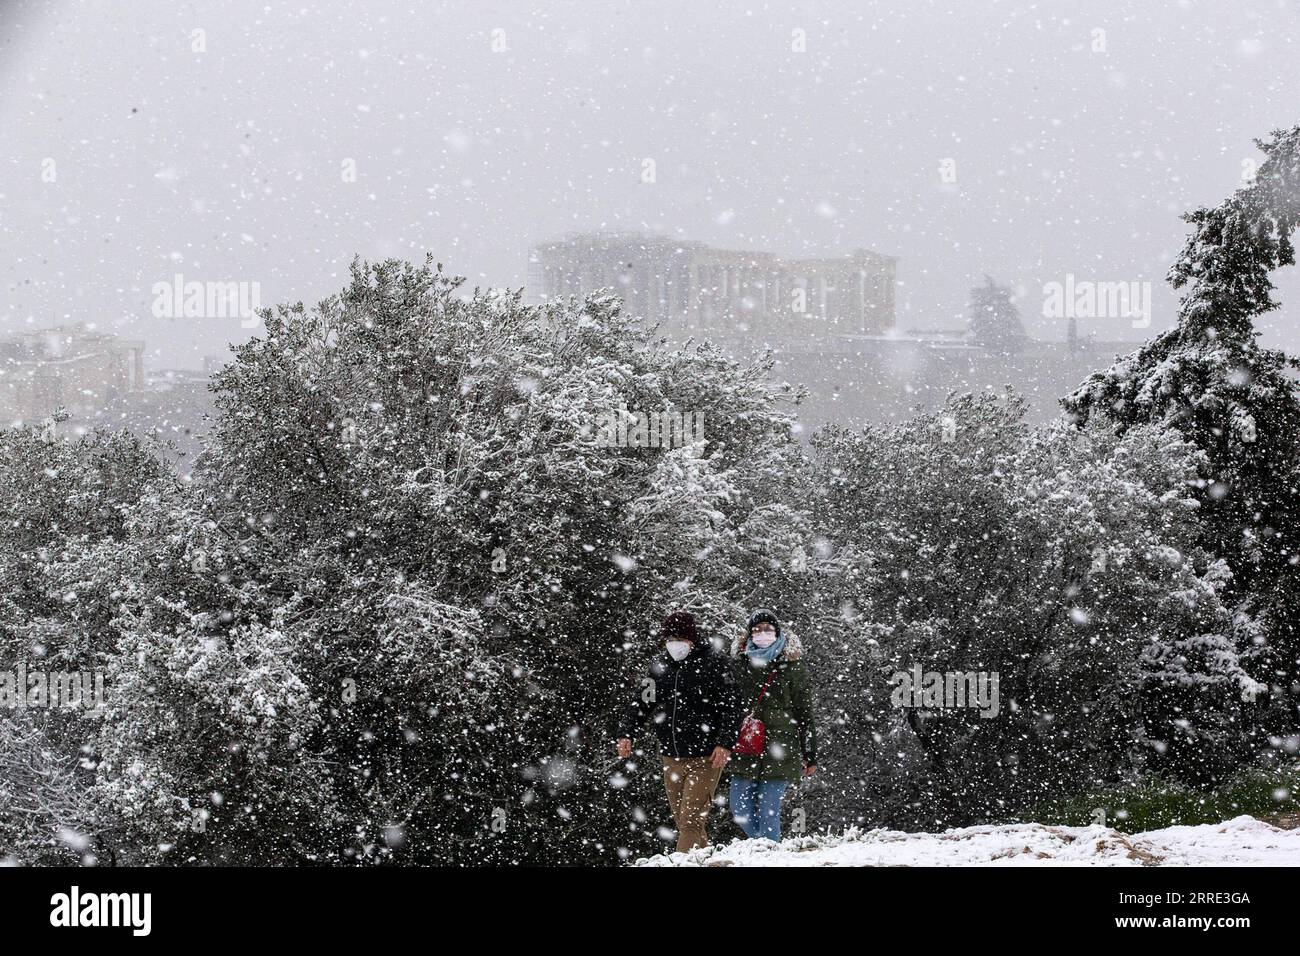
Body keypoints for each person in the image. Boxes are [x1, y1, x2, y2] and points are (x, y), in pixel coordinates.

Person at [616, 611, 745, 852]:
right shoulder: (660, 667)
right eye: (670, 638)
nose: (675, 644)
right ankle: (703, 858)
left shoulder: (714, 663)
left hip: (705, 757)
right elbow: (642, 703)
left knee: (690, 822)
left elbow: (733, 707)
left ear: (692, 639)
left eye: (681, 638)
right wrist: (626, 732)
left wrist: (725, 742)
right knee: (686, 824)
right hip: (671, 757)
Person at [727, 608, 818, 842]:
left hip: (781, 747)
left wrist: (810, 753)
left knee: (769, 811)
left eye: (768, 628)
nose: (762, 633)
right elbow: (728, 706)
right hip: (747, 745)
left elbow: (804, 712)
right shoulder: (739, 664)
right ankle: (766, 848)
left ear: (777, 632)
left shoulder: (791, 666)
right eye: (757, 629)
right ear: (749, 635)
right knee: (740, 810)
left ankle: (767, 853)